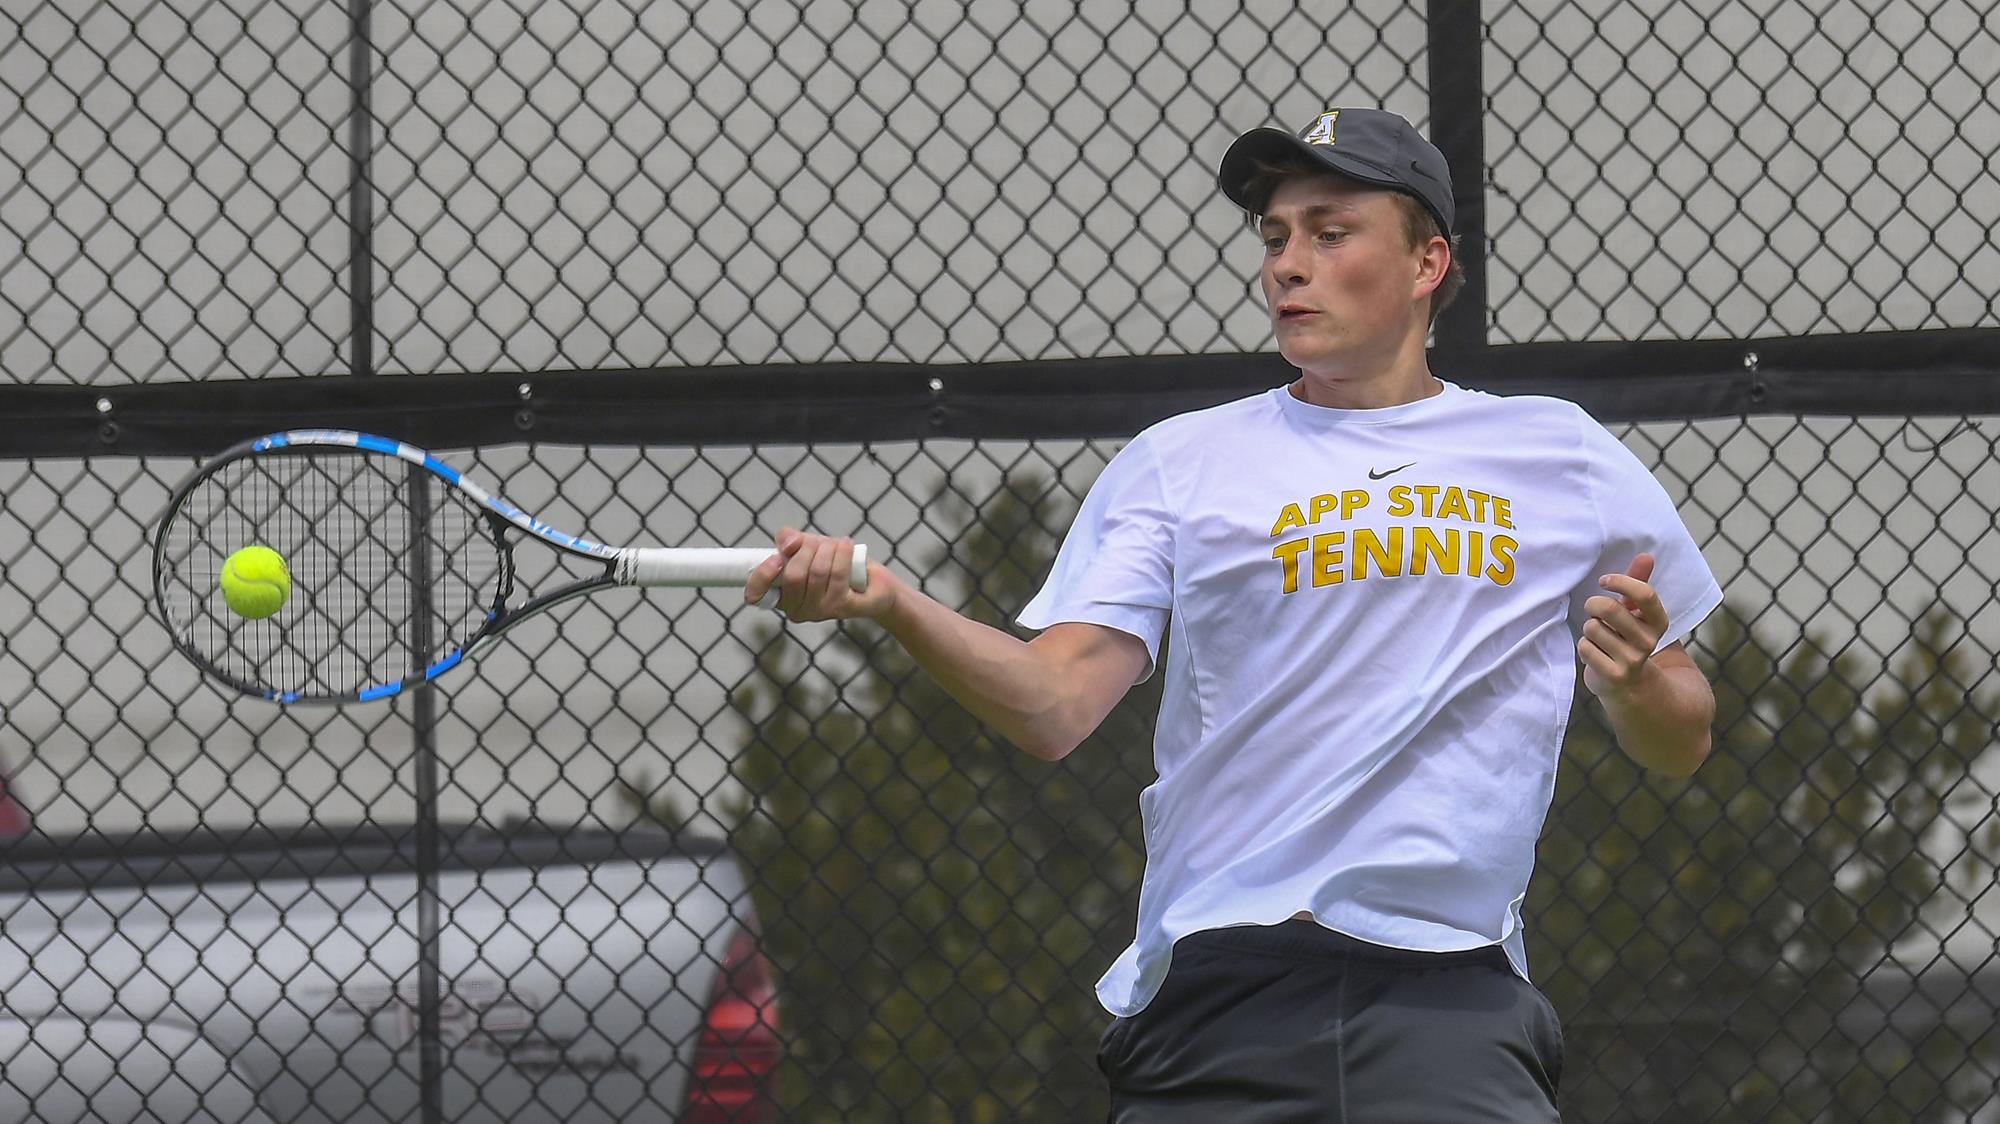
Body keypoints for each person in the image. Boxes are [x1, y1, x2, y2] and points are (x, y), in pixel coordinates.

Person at [746, 105, 1722, 1122]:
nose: (1286, 265)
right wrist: (891, 601)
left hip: (1449, 1001)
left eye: (1328, 231)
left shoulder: (1557, 453)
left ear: (1426, 260)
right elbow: (1052, 703)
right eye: (1272, 237)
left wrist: (1635, 679)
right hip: (1218, 998)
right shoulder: (1181, 462)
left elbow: (1680, 738)